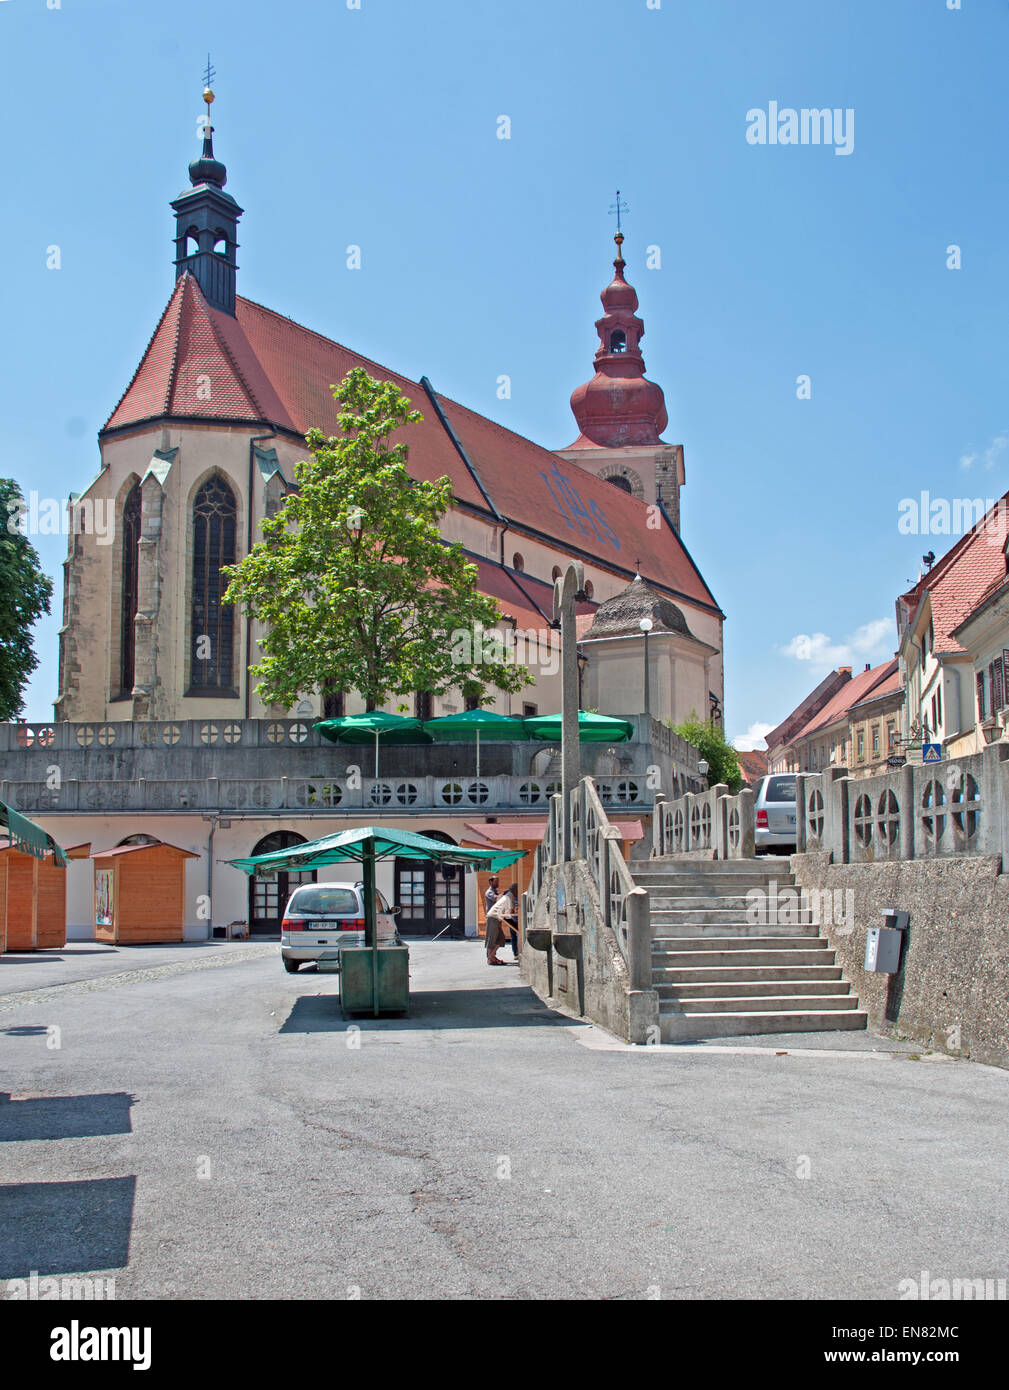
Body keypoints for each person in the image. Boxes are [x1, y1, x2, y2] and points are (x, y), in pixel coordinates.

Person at [486, 882, 520, 965]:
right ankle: (491, 958)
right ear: (515, 891)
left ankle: (492, 957)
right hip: (494, 917)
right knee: (494, 939)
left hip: (495, 917)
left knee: (498, 939)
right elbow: (511, 912)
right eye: (518, 891)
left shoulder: (508, 895)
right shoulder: (510, 897)